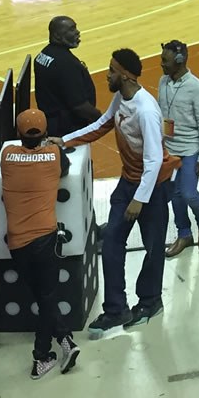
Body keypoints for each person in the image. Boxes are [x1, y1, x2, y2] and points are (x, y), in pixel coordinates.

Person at [67, 49, 176, 334]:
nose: (107, 74)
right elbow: (102, 124)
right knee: (112, 242)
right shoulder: (122, 98)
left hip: (152, 188)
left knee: (154, 248)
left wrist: (139, 200)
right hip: (129, 182)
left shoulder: (146, 110)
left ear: (126, 75)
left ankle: (151, 301)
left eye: (112, 70)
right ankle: (116, 309)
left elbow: (153, 160)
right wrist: (63, 140)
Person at [0, 107, 80, 379]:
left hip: (18, 243)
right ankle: (44, 355)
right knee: (46, 297)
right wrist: (50, 144)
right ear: (45, 134)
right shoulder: (55, 156)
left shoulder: (8, 157)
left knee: (41, 296)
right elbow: (65, 167)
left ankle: (60, 345)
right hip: (46, 238)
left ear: (18, 134)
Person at [159, 40, 199, 257]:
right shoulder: (163, 81)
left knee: (189, 193)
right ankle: (184, 234)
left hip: (190, 150)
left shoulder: (197, 88)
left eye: (165, 60)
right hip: (169, 149)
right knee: (174, 196)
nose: (161, 64)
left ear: (179, 61)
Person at [34, 16, 99, 137]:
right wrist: (99, 118)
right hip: (67, 128)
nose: (77, 32)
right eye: (72, 29)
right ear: (57, 36)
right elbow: (79, 105)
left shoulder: (43, 54)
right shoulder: (66, 64)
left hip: (51, 121)